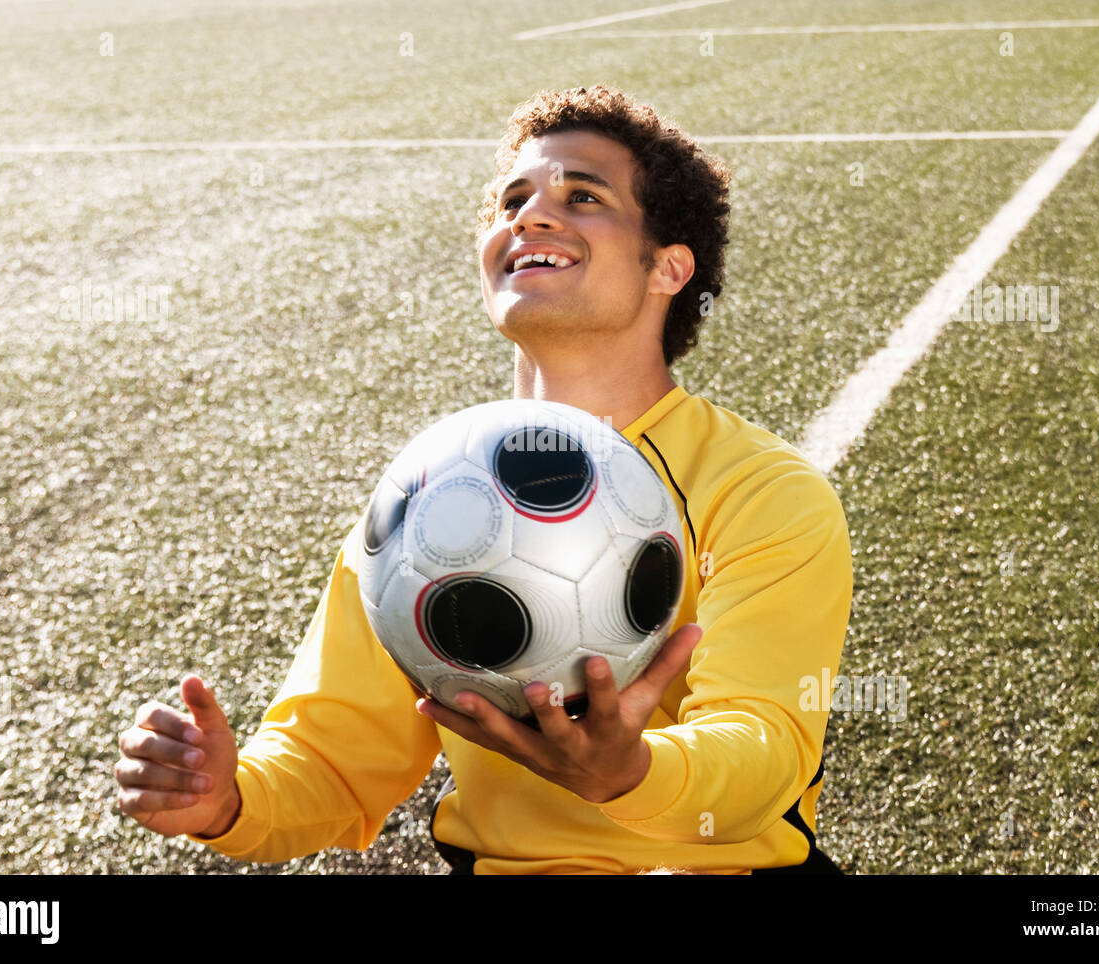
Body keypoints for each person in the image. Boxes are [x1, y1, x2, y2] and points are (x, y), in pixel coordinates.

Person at [114, 85, 853, 874]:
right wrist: (228, 802)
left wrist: (629, 774)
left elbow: (763, 750)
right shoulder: (427, 497)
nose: (529, 217)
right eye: (512, 199)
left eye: (583, 196)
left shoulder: (759, 489)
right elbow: (333, 759)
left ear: (669, 267)